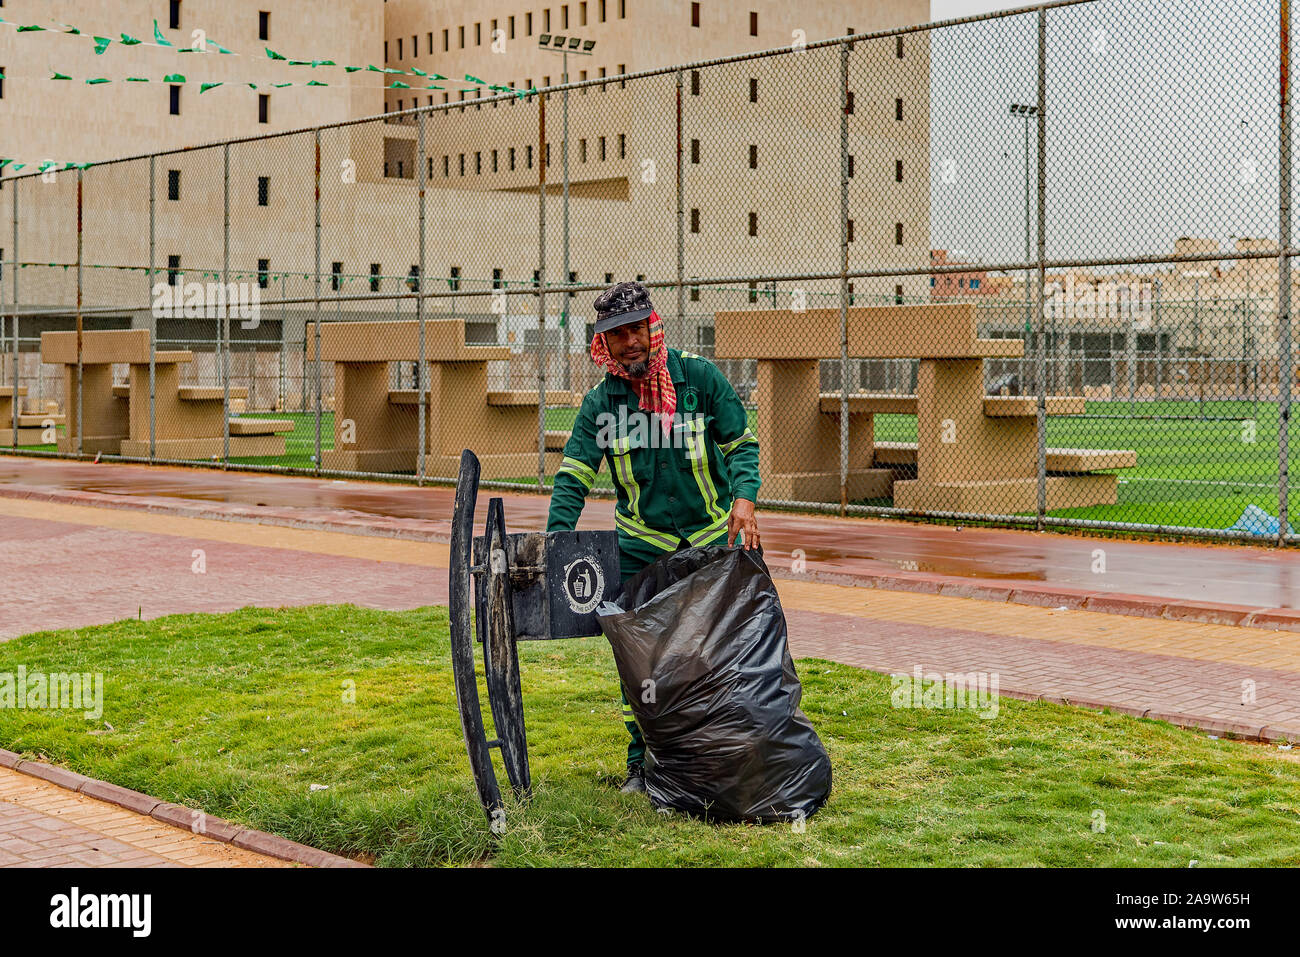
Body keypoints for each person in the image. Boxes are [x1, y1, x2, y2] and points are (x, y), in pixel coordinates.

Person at [546, 280, 761, 794]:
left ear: (652, 327)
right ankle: (642, 765)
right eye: (616, 335)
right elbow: (574, 473)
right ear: (604, 343)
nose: (629, 343)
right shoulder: (602, 403)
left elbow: (741, 445)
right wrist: (557, 541)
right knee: (640, 658)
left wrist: (745, 500)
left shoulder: (700, 379)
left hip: (710, 544)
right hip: (641, 547)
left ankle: (723, 752)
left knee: (721, 651)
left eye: (635, 330)